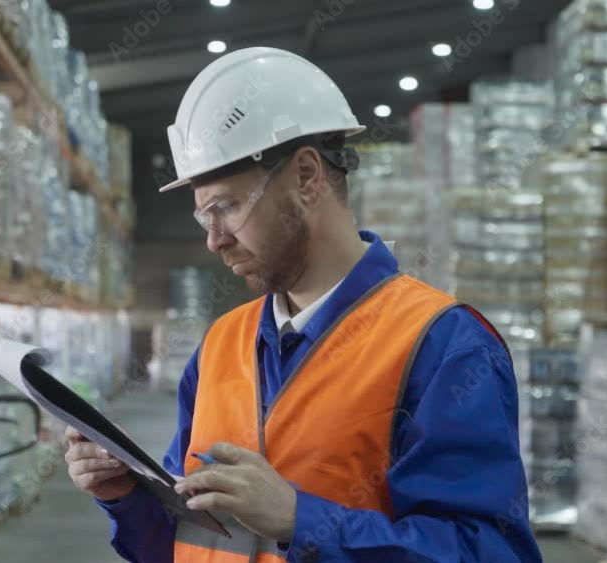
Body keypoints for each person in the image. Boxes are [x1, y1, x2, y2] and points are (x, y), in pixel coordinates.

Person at [64, 46, 542, 562]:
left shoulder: (443, 346)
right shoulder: (222, 345)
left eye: (225, 207)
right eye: (205, 218)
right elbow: (192, 538)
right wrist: (129, 496)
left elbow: (489, 552)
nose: (214, 240)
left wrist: (300, 520)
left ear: (307, 177)